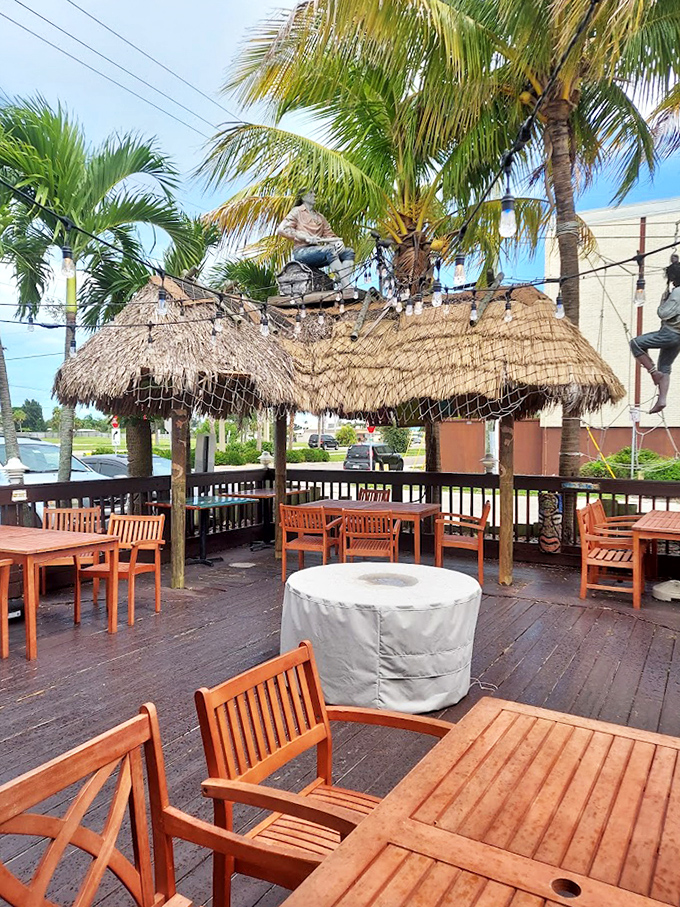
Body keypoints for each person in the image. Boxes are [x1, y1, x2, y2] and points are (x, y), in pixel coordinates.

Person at [277, 189, 355, 289]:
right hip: (302, 252)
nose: (314, 195)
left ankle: (342, 284)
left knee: (348, 252)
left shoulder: (320, 217)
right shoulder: (297, 211)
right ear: (303, 197)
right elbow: (281, 229)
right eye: (310, 192)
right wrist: (303, 237)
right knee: (330, 250)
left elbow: (330, 235)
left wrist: (338, 242)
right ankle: (346, 285)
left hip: (318, 252)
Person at [630, 258, 680, 413]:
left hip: (670, 333)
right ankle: (662, 399)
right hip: (678, 337)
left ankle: (653, 373)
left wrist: (663, 301)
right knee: (665, 365)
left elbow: (663, 313)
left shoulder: (678, 292)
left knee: (636, 343)